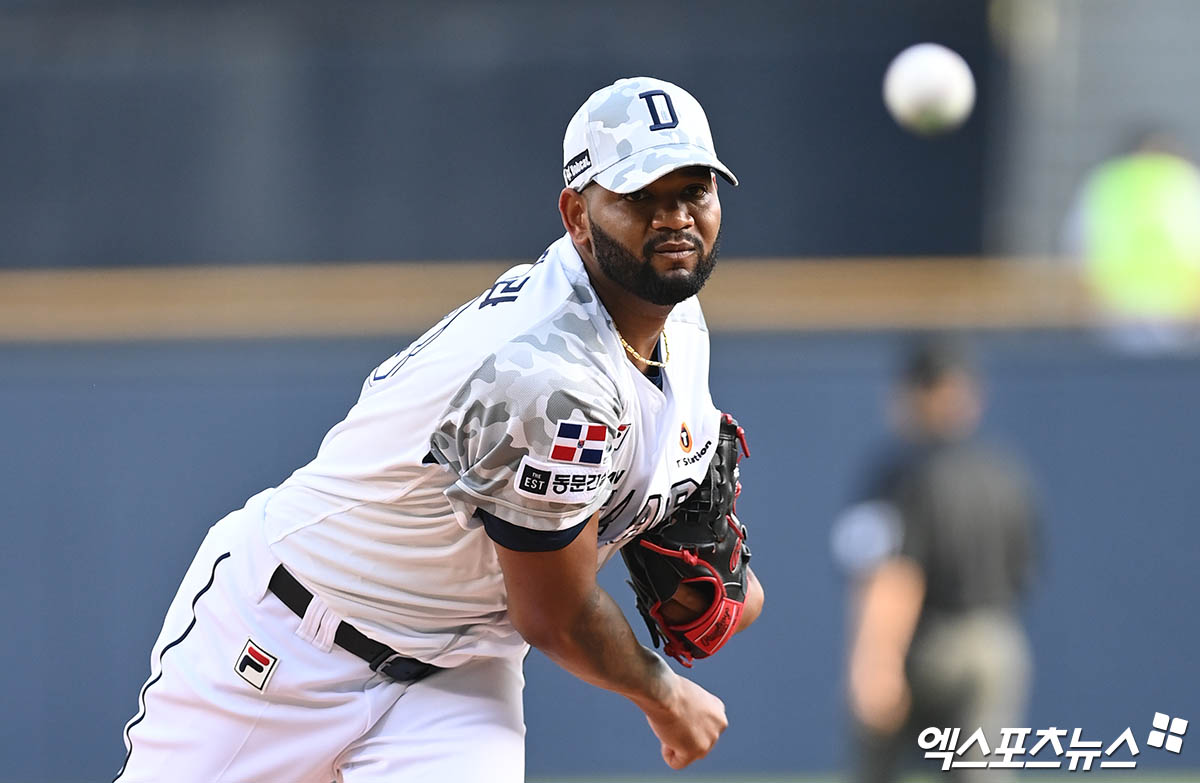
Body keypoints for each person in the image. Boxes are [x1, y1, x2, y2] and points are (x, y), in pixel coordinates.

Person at [114, 75, 764, 783]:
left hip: (454, 679)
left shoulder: (679, 325)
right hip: (286, 636)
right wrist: (665, 696)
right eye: (640, 196)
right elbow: (556, 615)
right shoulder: (551, 375)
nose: (675, 219)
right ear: (577, 215)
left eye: (694, 190)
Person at [830, 337, 1036, 783]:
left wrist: (876, 662)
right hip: (996, 645)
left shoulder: (905, 473)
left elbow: (893, 574)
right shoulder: (1005, 472)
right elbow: (1026, 571)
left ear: (917, 393)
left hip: (921, 649)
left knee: (876, 771)